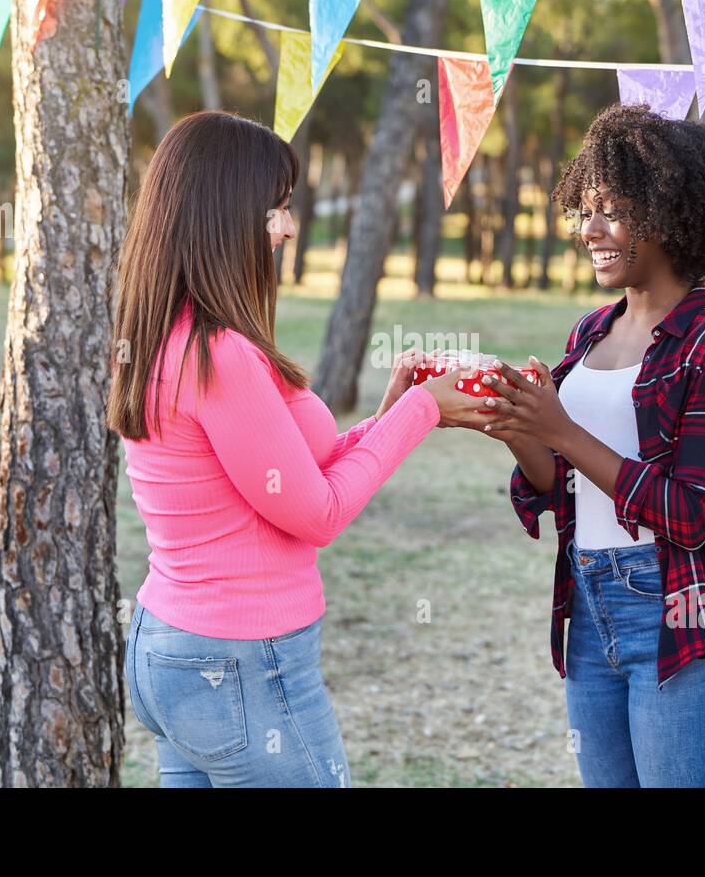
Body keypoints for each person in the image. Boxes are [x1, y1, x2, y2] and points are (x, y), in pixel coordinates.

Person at [106, 110, 489, 787]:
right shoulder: (219, 356)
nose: (286, 227)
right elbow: (317, 514)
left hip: (175, 653)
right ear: (226, 216)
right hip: (238, 663)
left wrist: (391, 415)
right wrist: (426, 409)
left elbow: (287, 479)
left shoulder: (172, 337)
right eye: (276, 210)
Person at [477, 103, 705, 787]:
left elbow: (694, 514)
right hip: (588, 608)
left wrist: (560, 430)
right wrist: (522, 430)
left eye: (610, 211)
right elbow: (563, 486)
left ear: (671, 217)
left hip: (683, 613)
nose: (589, 230)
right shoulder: (591, 330)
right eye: (585, 210)